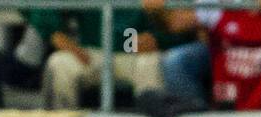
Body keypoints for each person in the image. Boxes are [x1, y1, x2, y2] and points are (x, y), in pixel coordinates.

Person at [28, 6, 165, 109]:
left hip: (137, 54)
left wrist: (160, 40)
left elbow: (180, 21)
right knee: (60, 63)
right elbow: (38, 7)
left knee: (151, 64)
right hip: (92, 53)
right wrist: (54, 34)